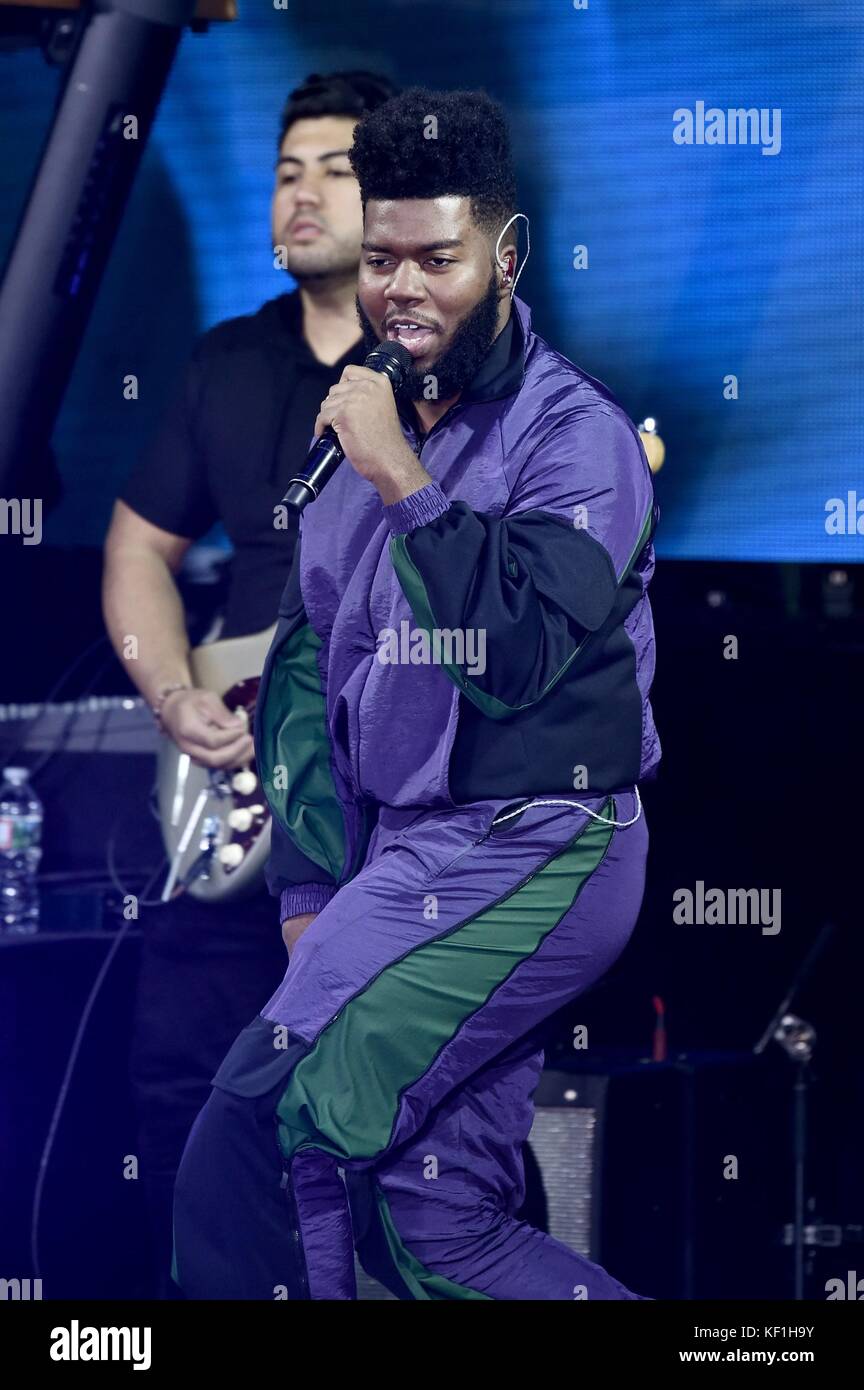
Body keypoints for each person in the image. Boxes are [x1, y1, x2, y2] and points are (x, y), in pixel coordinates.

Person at [172, 86, 661, 1301]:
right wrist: (304, 879)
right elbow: (305, 676)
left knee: (265, 1127)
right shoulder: (361, 433)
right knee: (426, 1215)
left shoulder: (572, 435)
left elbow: (517, 653)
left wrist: (406, 480)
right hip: (396, 857)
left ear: (506, 254)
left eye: (438, 259)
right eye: (382, 258)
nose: (403, 290)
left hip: (541, 840)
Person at [100, 69, 398, 1298]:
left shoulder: (447, 364)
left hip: (379, 798)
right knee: (184, 1075)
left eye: (335, 165)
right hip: (231, 794)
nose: (303, 190)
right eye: (288, 169)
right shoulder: (224, 363)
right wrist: (175, 699)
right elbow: (137, 552)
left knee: (380, 1095)